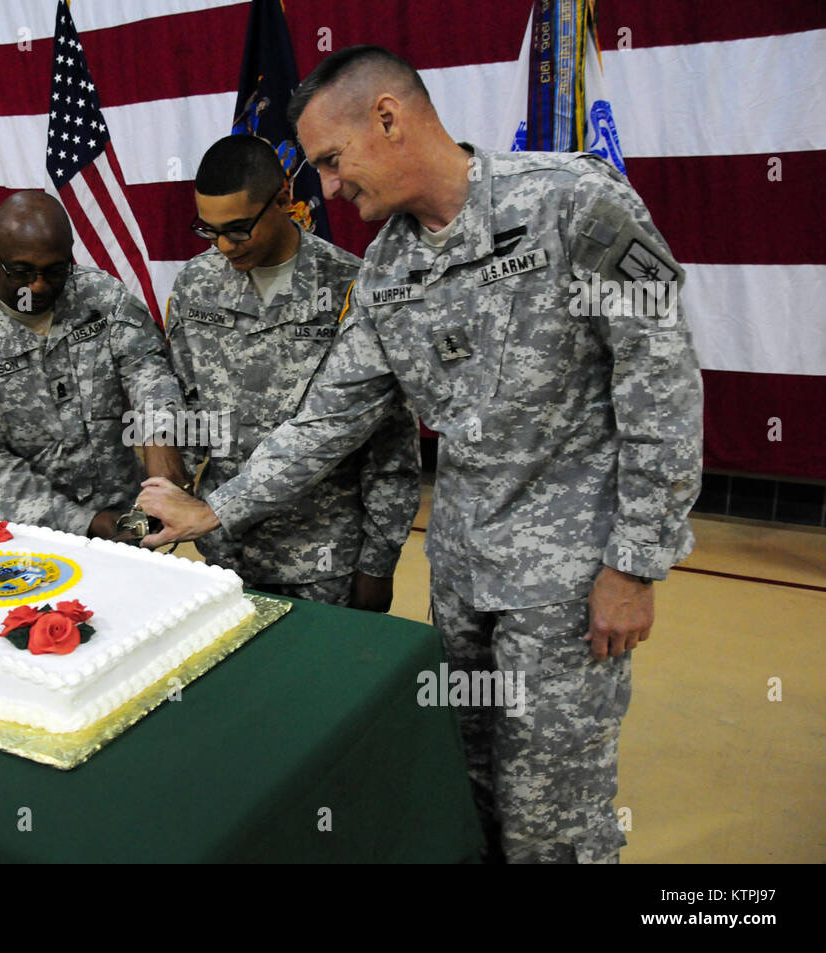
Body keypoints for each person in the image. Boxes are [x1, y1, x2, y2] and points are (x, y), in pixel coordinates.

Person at [137, 47, 703, 863]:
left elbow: (663, 386)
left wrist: (637, 563)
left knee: (555, 818)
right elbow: (330, 414)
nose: (327, 190)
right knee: (467, 782)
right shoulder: (389, 268)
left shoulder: (573, 204)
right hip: (465, 575)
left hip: (570, 582)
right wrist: (216, 504)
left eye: (332, 162)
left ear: (390, 118)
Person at [167, 134, 419, 609]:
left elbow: (392, 443)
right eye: (209, 230)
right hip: (226, 551)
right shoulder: (195, 285)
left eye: (239, 229)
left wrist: (378, 561)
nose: (224, 245)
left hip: (325, 560)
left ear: (283, 199)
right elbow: (189, 407)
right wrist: (167, 481)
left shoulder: (351, 286)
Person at [0, 191, 186, 537]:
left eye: (55, 271)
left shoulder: (103, 299)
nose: (38, 285)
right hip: (34, 534)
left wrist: (161, 442)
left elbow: (148, 370)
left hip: (127, 514)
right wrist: (85, 524)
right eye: (21, 272)